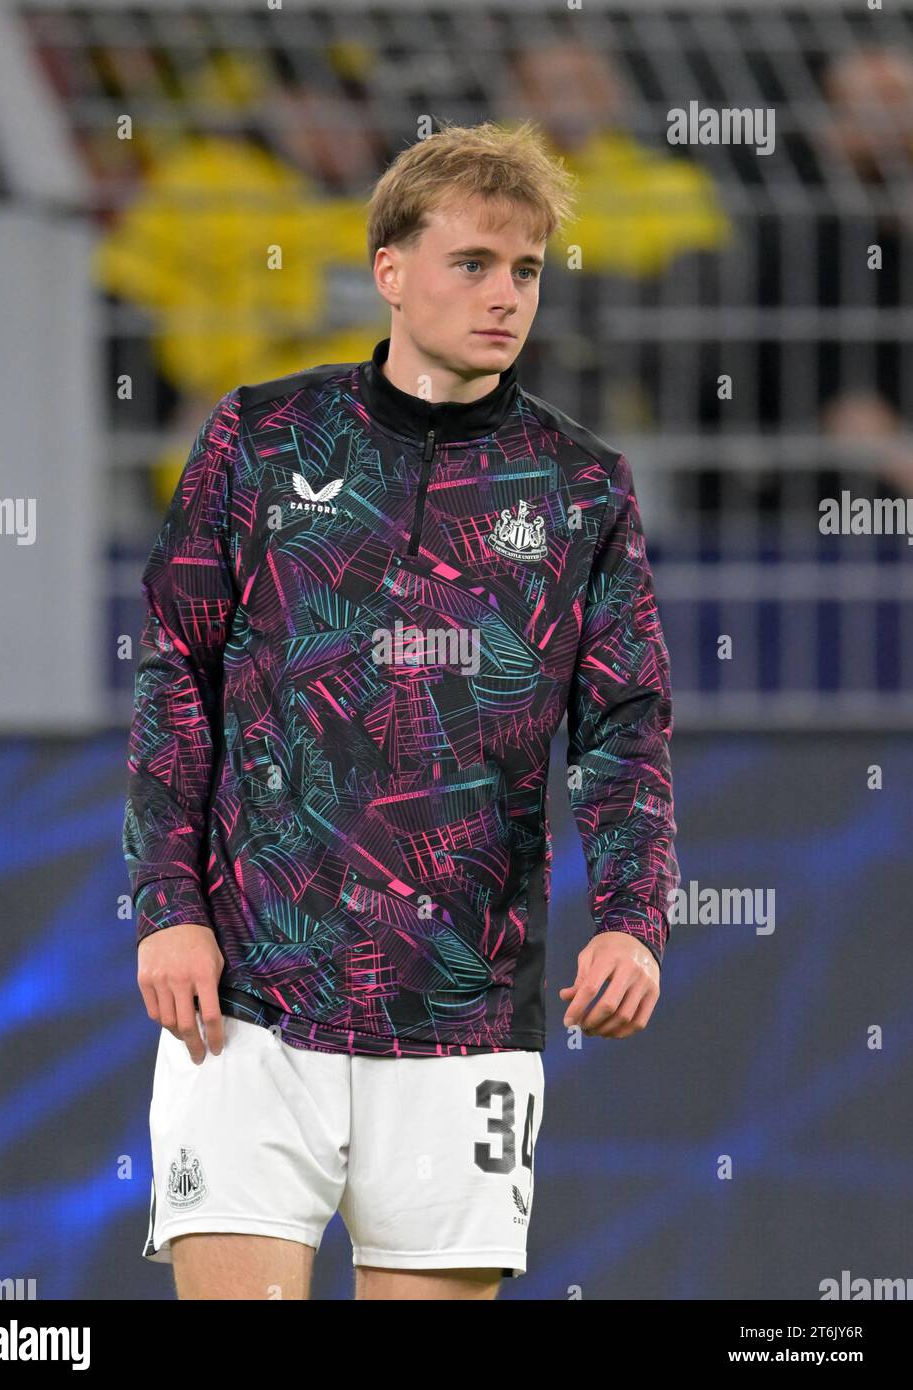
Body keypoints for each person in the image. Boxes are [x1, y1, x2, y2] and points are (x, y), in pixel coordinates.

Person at [123, 118, 680, 1301]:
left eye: (525, 270)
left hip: (463, 1011)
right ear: (389, 271)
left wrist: (632, 917)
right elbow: (177, 674)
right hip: (249, 1001)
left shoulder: (582, 487)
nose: (504, 296)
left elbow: (624, 726)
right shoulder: (262, 438)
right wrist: (167, 907)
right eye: (471, 263)